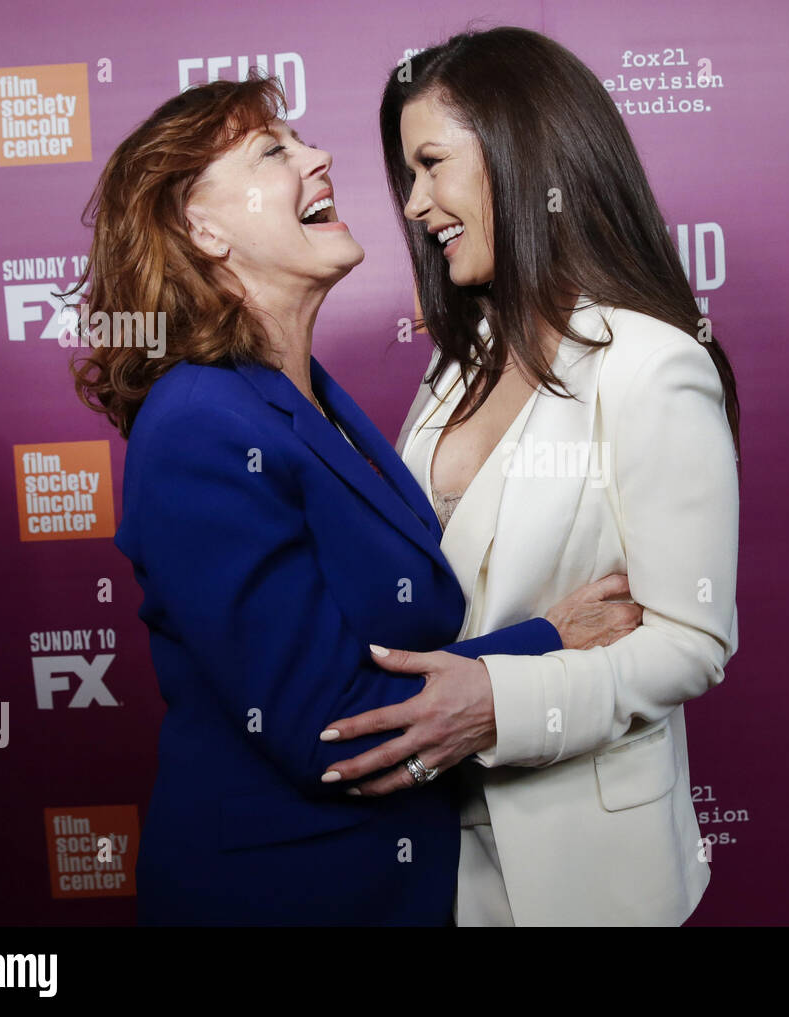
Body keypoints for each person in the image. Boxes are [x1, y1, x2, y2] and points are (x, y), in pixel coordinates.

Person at [67, 73, 639, 926]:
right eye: (273, 151)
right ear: (202, 227)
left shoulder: (307, 401)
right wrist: (552, 641)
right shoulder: (198, 422)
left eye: (299, 139)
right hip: (286, 900)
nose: (320, 154)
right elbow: (332, 730)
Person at [322, 27, 741, 926]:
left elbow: (691, 641)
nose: (414, 204)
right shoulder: (457, 362)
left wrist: (500, 702)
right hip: (436, 857)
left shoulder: (650, 365)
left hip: (591, 881)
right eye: (408, 176)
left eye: (432, 163)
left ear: (521, 150)